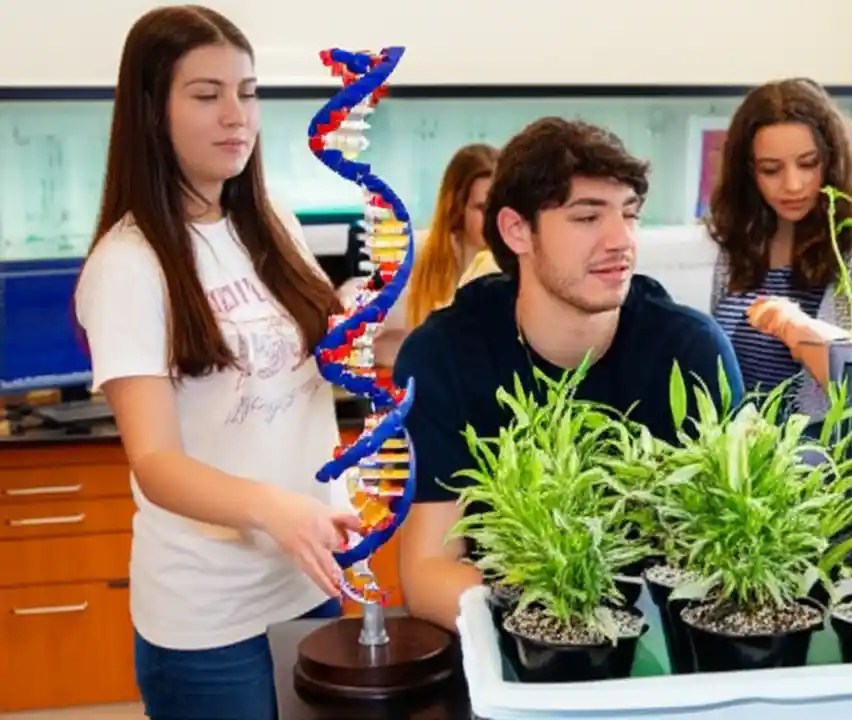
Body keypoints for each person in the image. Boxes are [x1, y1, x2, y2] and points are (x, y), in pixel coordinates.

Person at [73, 6, 360, 718]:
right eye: (206, 95)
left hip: (308, 581)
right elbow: (157, 463)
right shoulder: (128, 265)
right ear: (151, 110)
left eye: (248, 91)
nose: (237, 115)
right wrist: (275, 509)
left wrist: (365, 322)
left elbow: (321, 363)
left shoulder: (271, 220)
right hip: (208, 622)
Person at [392, 117, 745, 630]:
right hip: (516, 646)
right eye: (586, 218)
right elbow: (428, 571)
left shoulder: (690, 351)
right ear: (517, 230)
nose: (620, 240)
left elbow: (733, 554)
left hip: (663, 643)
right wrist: (561, 628)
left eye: (629, 214)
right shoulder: (444, 355)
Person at [704, 78, 852, 414]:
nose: (792, 185)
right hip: (745, 456)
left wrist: (797, 329)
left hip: (826, 460)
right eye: (771, 170)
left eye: (808, 164)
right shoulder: (738, 245)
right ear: (748, 171)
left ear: (832, 161)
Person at [371, 143, 499, 365]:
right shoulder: (414, 256)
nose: (495, 221)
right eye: (482, 209)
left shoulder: (519, 263)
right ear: (456, 206)